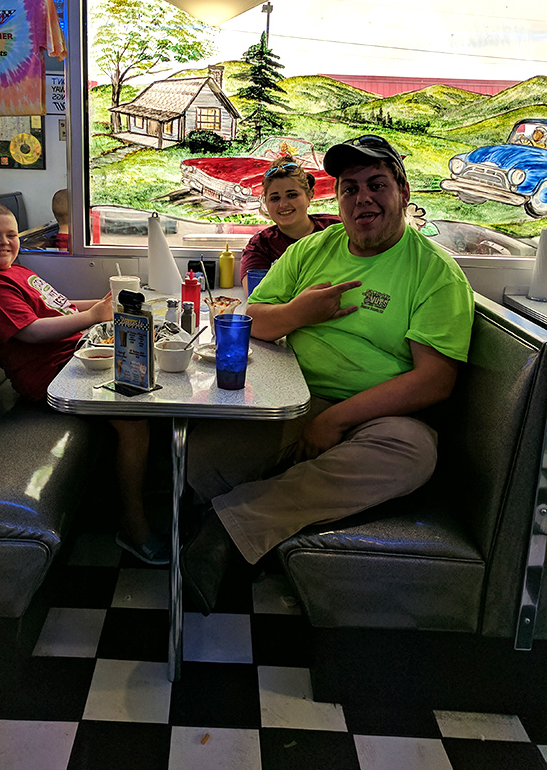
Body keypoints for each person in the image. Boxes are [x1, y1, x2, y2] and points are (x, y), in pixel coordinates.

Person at [181, 134, 475, 614]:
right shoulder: (311, 250)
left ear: (402, 191)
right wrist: (301, 312)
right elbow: (254, 317)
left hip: (381, 417)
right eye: (349, 188)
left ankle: (226, 531)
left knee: (414, 454)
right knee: (200, 460)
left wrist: (335, 420)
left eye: (377, 184)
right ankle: (284, 506)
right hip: (292, 398)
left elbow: (434, 380)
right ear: (336, 200)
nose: (363, 198)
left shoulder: (436, 272)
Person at [0, 200, 169, 565]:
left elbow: (59, 308)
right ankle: (133, 524)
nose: (4, 242)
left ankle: (162, 498)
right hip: (52, 377)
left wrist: (105, 305)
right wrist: (92, 316)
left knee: (158, 369)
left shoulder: (18, 273)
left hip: (76, 359)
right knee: (134, 420)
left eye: (10, 235)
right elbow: (31, 331)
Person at [239, 157, 341, 292]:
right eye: (275, 198)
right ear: (266, 203)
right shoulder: (260, 246)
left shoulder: (337, 230)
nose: (283, 204)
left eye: (292, 195)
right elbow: (257, 298)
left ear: (309, 196)